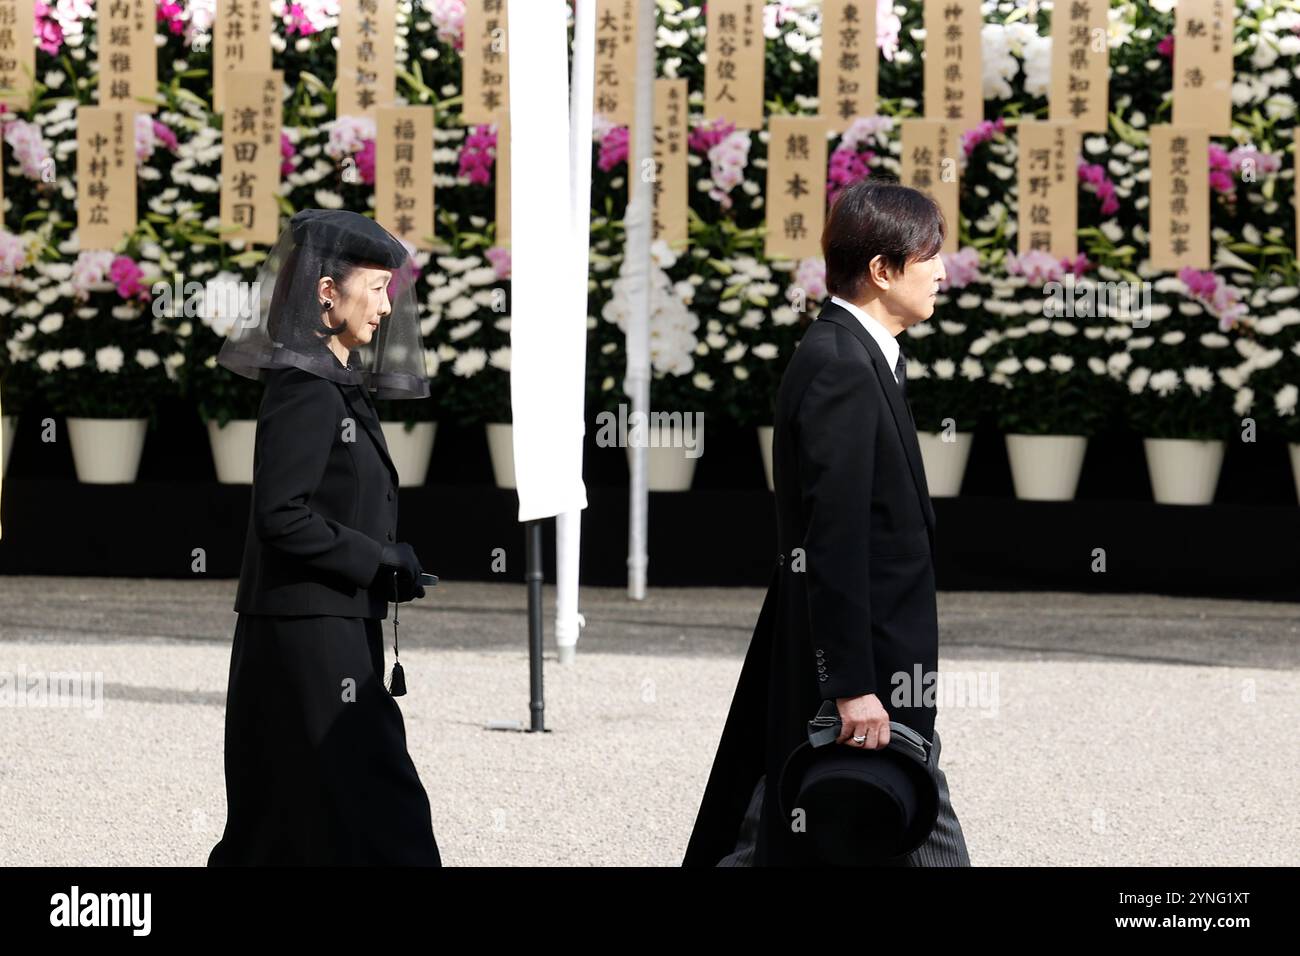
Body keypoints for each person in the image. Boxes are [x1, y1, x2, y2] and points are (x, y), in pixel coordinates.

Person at [682, 179, 971, 867]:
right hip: (865, 673)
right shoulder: (841, 364)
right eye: (929, 255)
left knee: (789, 825)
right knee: (885, 822)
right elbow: (832, 541)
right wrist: (852, 685)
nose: (942, 271)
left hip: (870, 668)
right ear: (881, 270)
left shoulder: (858, 354)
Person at [207, 208, 442, 866]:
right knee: (384, 813)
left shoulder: (329, 382)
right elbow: (280, 515)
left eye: (390, 289)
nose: (387, 306)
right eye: (375, 286)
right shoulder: (306, 388)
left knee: (289, 817)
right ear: (325, 289)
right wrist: (378, 559)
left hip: (323, 626)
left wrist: (387, 565)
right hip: (310, 636)